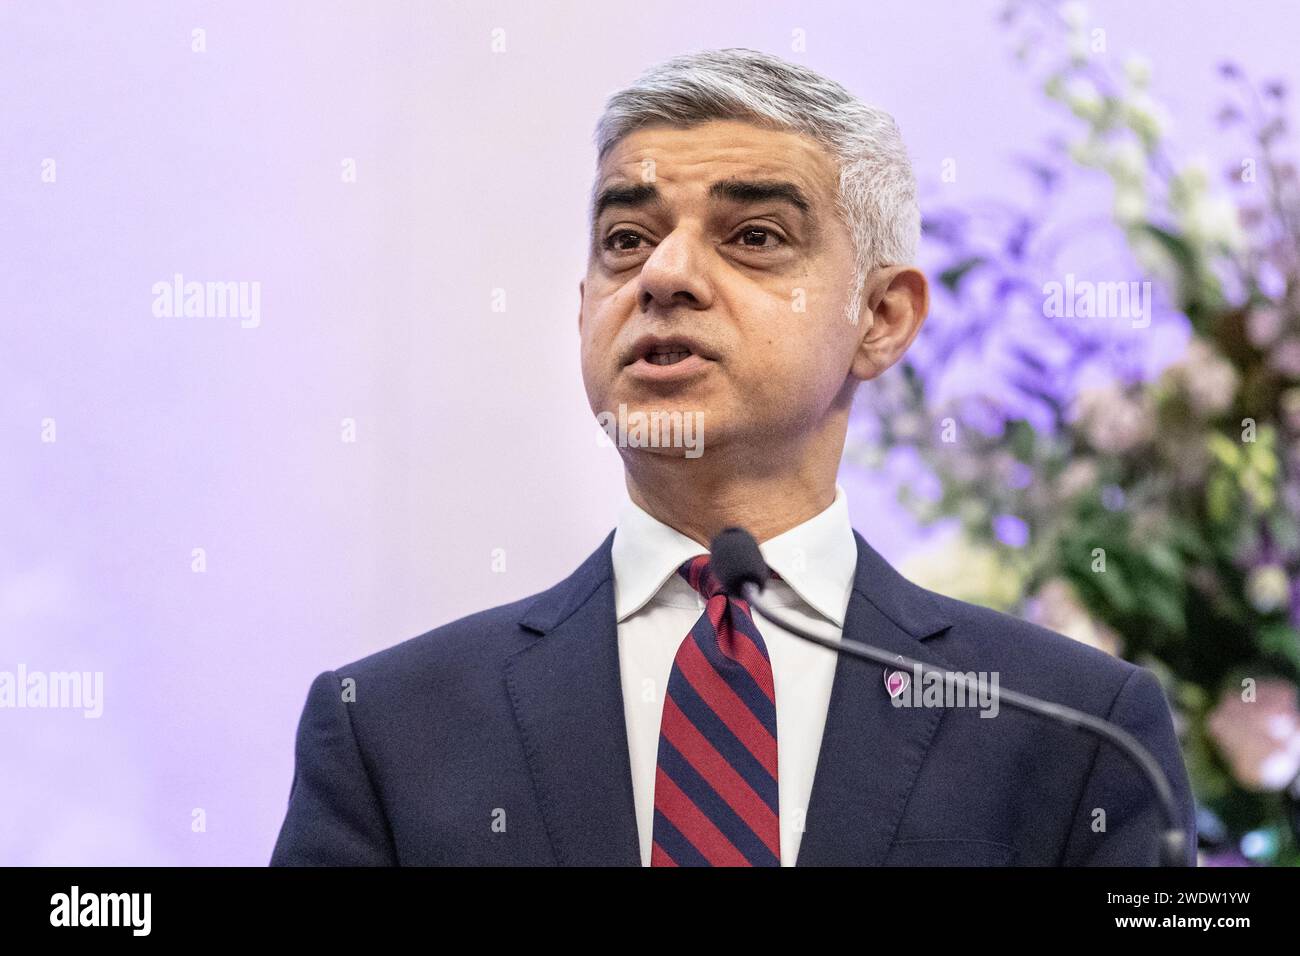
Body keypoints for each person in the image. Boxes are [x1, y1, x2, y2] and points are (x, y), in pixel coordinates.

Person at [270, 48, 1196, 867]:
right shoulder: (392, 729)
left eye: (754, 236)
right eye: (625, 240)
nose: (664, 276)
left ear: (881, 318)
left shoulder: (1075, 731)